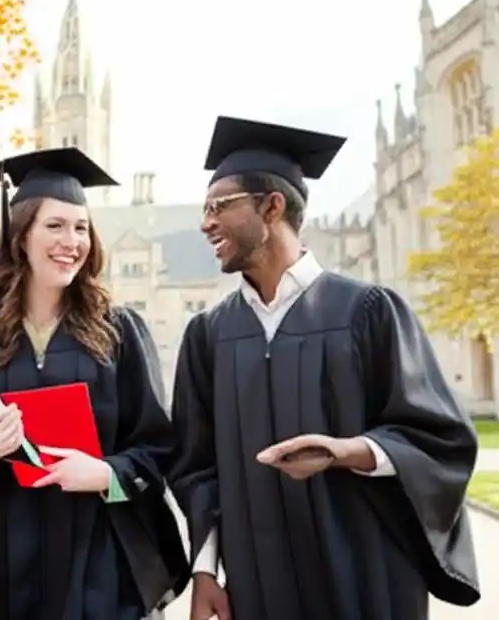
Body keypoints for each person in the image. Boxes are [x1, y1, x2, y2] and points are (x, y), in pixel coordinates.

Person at [168, 116, 481, 620]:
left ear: (271, 207)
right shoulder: (208, 336)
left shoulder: (368, 313)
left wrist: (349, 452)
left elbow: (441, 439)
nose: (206, 223)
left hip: (366, 579)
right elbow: (195, 467)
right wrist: (205, 570)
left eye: (218, 207)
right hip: (258, 586)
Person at [0, 146, 189, 620]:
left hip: (101, 567)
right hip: (0, 569)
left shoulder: (117, 331)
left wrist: (106, 475)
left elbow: (157, 446)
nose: (72, 240)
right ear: (20, 235)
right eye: (55, 226)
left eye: (81, 227)